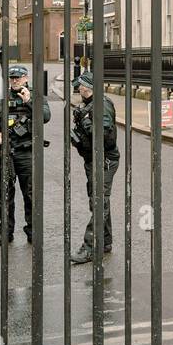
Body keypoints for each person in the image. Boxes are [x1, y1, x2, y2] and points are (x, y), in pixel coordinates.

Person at [0, 64, 51, 246]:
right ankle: (5, 232)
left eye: (18, 78)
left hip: (27, 153)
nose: (14, 81)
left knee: (30, 195)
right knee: (5, 196)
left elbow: (45, 116)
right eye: (12, 78)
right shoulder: (1, 100)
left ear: (26, 78)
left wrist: (29, 102)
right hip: (6, 154)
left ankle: (32, 231)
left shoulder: (36, 97)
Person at [69, 71, 119, 264]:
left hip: (104, 159)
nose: (78, 88)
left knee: (99, 201)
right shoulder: (89, 104)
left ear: (87, 87)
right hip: (92, 158)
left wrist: (85, 121)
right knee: (97, 199)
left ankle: (89, 248)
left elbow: (103, 134)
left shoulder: (103, 105)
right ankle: (105, 241)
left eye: (80, 85)